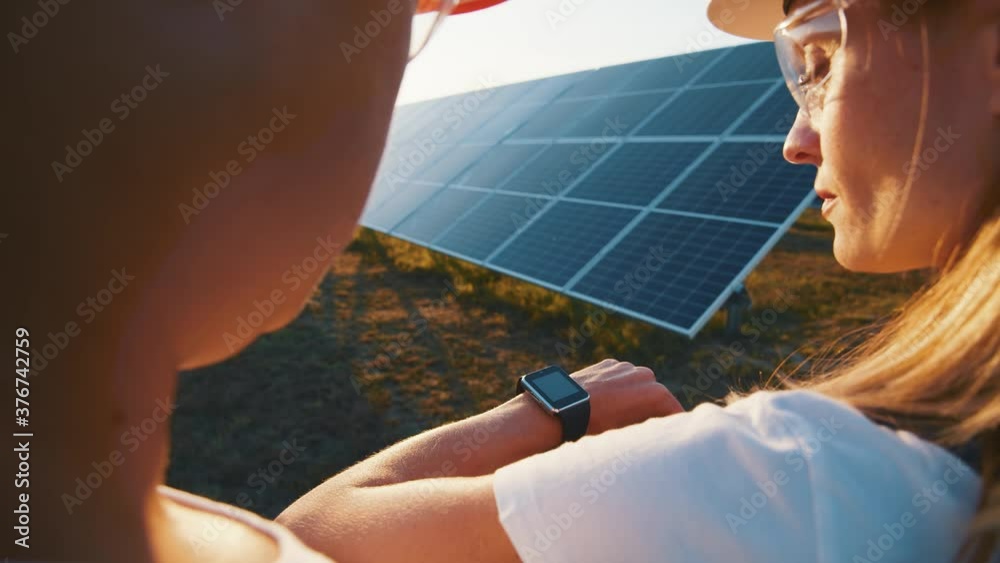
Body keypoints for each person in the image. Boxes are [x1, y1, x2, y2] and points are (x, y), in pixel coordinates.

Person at [8, 1, 995, 563]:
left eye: (818, 55)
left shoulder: (805, 483)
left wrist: (544, 412)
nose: (794, 136)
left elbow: (311, 539)